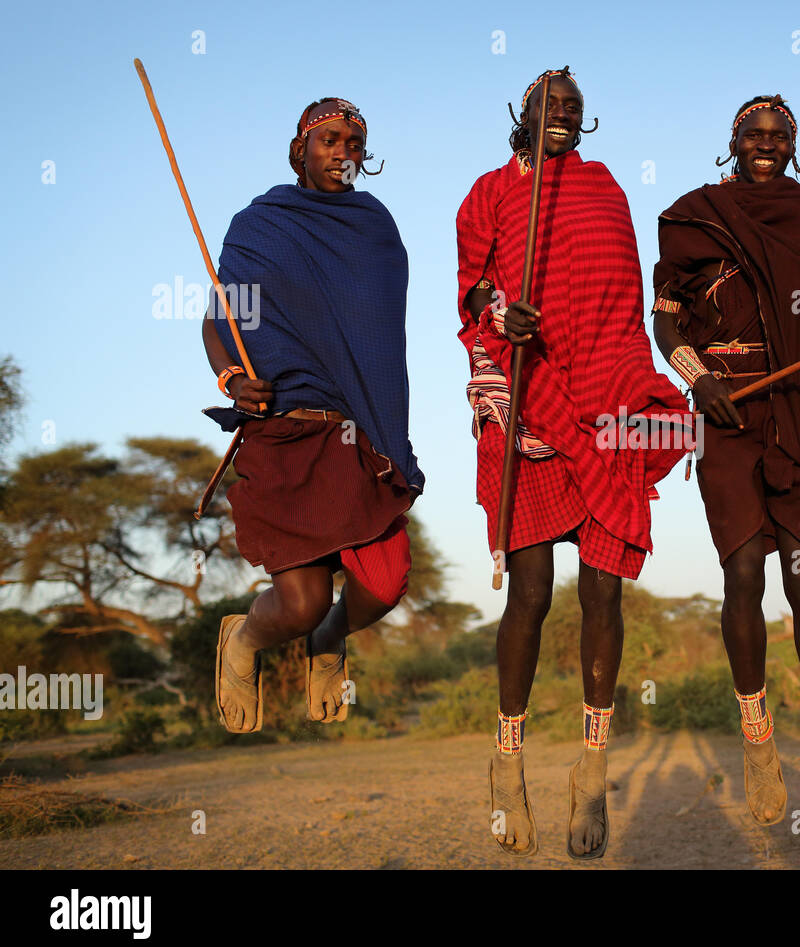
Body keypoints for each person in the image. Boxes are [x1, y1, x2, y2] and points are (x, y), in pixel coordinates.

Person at [456, 67, 689, 859]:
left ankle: (591, 772)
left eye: (574, 109)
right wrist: (502, 313)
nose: (562, 115)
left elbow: (621, 296)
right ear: (522, 113)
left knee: (603, 594)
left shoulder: (605, 188)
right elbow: (473, 289)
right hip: (528, 390)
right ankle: (508, 762)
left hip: (603, 384)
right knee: (529, 593)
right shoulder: (490, 191)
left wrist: (622, 380)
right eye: (549, 105)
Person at [652, 96, 800, 838]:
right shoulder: (695, 215)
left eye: (779, 137)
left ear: (793, 147)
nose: (765, 145)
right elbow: (664, 310)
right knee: (742, 572)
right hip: (725, 408)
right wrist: (694, 375)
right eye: (753, 135)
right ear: (732, 142)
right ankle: (758, 736)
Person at [203, 98, 423, 735]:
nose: (343, 152)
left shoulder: (373, 225)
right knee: (296, 605)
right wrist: (232, 377)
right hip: (282, 427)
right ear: (299, 149)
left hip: (357, 433)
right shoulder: (260, 224)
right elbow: (222, 316)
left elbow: (378, 334)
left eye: (355, 143)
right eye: (330, 139)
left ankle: (330, 638)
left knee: (385, 584)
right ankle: (244, 640)